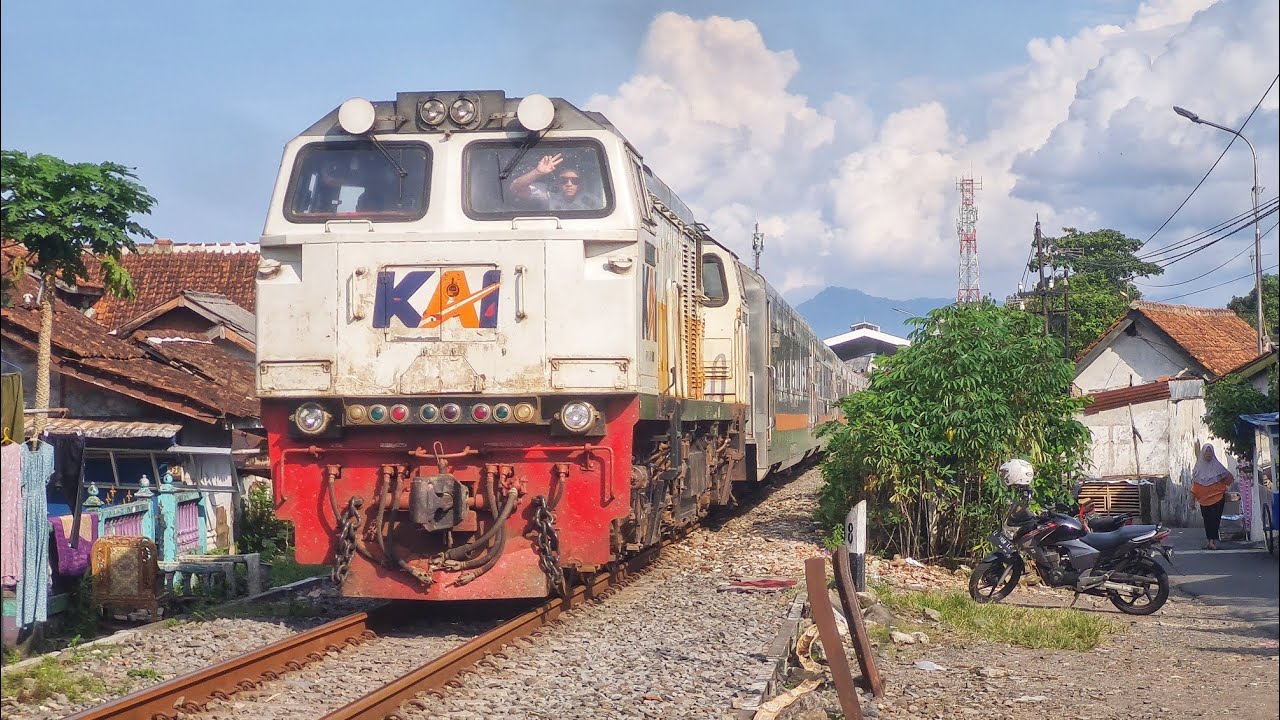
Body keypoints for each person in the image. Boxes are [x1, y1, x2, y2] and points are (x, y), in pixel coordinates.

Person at [509, 153, 598, 211]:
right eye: (564, 180)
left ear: (581, 184)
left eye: (575, 181)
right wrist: (537, 172)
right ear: (558, 182)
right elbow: (516, 188)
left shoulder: (593, 202)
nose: (569, 184)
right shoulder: (549, 195)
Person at [1191, 441, 1233, 549]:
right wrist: (1192, 500)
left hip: (1218, 498)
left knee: (1215, 519)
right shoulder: (1198, 468)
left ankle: (1212, 541)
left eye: (1210, 451)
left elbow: (1229, 478)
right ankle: (1209, 540)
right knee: (1207, 520)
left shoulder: (1218, 466)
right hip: (1203, 500)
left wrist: (1222, 484)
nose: (1208, 454)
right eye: (1206, 451)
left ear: (1213, 453)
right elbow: (1194, 486)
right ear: (1203, 453)